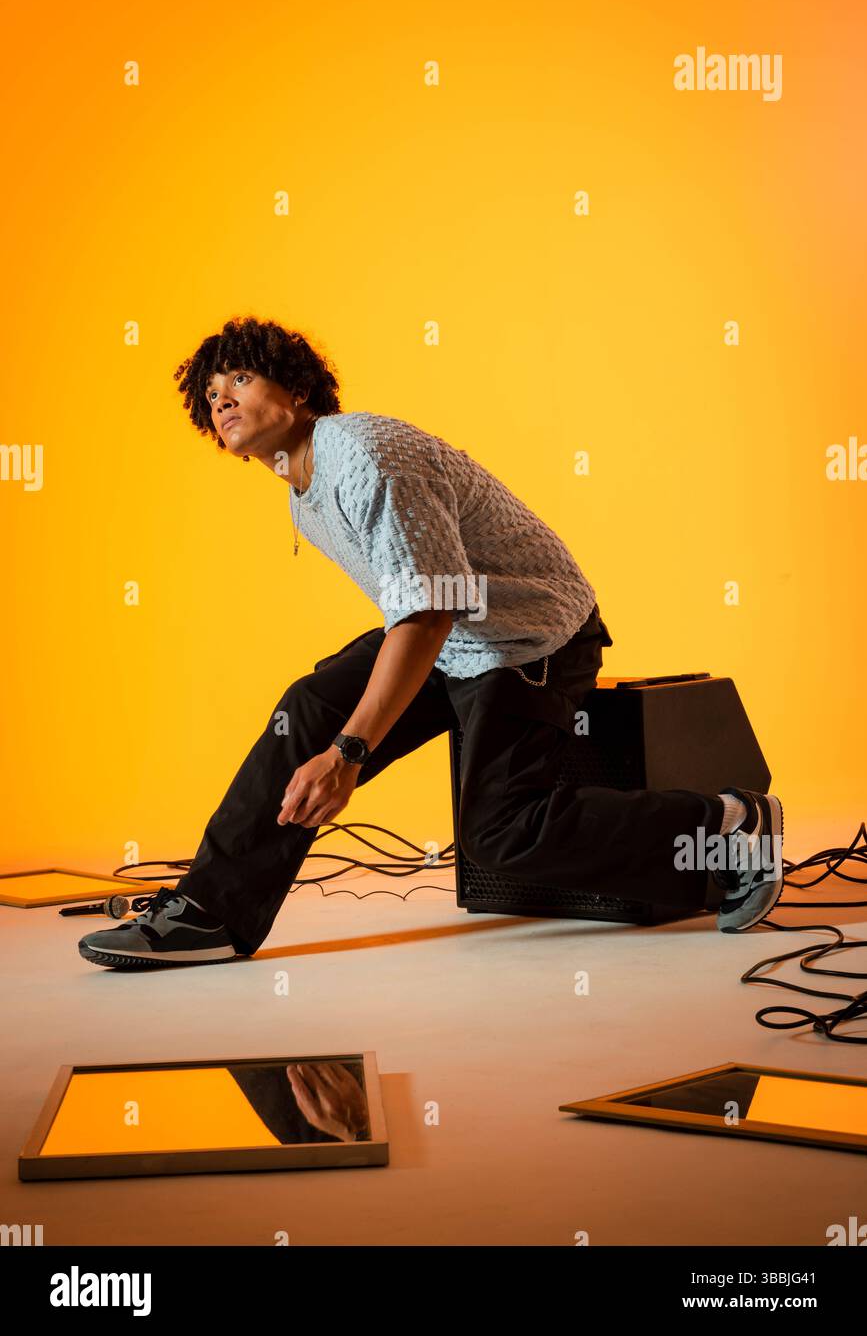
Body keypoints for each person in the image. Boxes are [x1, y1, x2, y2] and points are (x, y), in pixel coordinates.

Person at [78, 316, 784, 970]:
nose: (220, 399)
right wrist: (337, 732)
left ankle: (729, 822)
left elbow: (430, 613)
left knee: (501, 835)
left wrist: (349, 754)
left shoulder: (364, 456)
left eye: (239, 379)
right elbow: (418, 611)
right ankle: (210, 914)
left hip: (523, 638)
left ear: (296, 392)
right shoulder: (300, 482)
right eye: (209, 392)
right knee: (309, 708)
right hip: (448, 635)